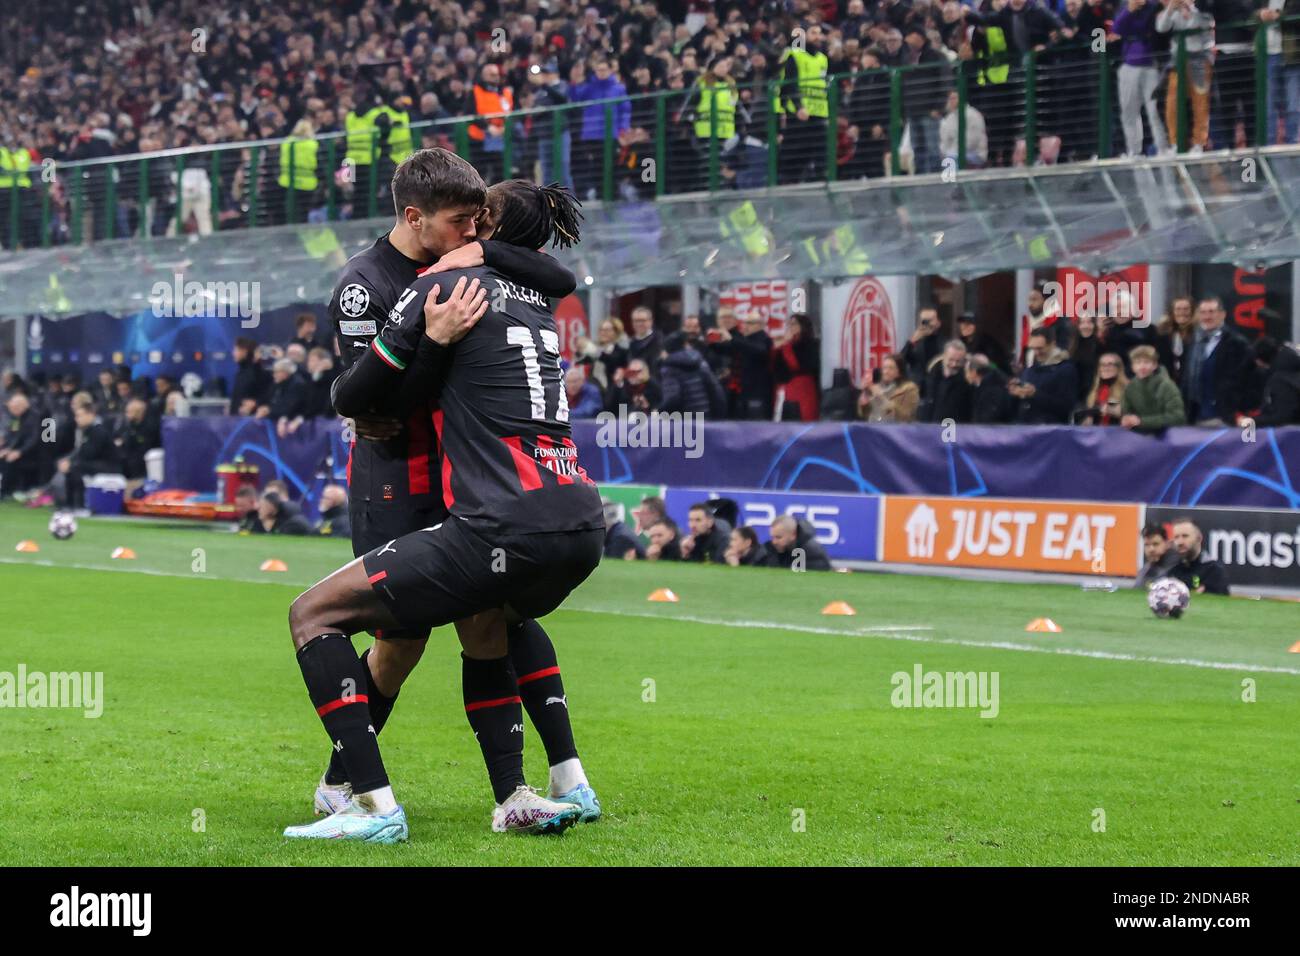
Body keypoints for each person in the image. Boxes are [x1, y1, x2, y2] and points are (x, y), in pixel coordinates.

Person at [294, 180, 602, 841]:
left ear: (488, 228)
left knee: (344, 617)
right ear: (416, 216)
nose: (465, 233)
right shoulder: (378, 281)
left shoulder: (449, 280)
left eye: (475, 223)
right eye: (458, 221)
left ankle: (372, 805)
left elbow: (359, 397)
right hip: (426, 487)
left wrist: (429, 340)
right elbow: (360, 397)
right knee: (419, 640)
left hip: (484, 502)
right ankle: (354, 784)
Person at [1180, 296, 1251, 425]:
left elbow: (1244, 381)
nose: (1207, 317)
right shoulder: (1192, 341)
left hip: (1225, 416)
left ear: (1222, 315)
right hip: (1195, 416)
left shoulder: (1237, 343)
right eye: (1203, 312)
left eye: (1212, 312)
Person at [1010, 331, 1078, 424]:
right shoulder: (1030, 370)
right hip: (1025, 427)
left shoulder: (1066, 370)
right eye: (1033, 349)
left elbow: (1066, 406)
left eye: (1040, 348)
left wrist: (1035, 394)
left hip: (1050, 430)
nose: (1036, 353)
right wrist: (1014, 393)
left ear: (1052, 344)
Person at [1121, 344, 1186, 432]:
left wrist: (1141, 421)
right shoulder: (1130, 388)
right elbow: (1127, 412)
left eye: (1146, 362)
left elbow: (1178, 417)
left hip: (1168, 436)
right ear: (1133, 367)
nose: (1142, 366)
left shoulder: (1166, 385)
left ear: (1154, 365)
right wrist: (1127, 419)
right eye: (1138, 362)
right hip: (1140, 437)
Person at [1168, 519, 1230, 595]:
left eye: (1185, 536)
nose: (1180, 542)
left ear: (1199, 538)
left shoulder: (1213, 570)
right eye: (1176, 537)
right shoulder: (1173, 571)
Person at [0, 390, 41, 498]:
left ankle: (4, 491)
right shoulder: (16, 418)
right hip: (18, 449)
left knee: (9, 459)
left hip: (32, 452)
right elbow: (14, 435)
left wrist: (19, 452)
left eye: (13, 409)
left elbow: (34, 439)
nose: (11, 411)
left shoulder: (35, 416)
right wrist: (6, 447)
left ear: (21, 407)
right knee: (4, 456)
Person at [859, 354, 920, 422]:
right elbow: (864, 414)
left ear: (899, 372)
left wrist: (881, 397)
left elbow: (905, 416)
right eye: (884, 368)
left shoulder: (909, 388)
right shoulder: (877, 387)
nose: (886, 372)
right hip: (875, 428)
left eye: (891, 368)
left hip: (897, 430)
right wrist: (865, 394)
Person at [762, 515, 832, 571]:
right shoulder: (773, 548)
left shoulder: (813, 554)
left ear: (793, 535)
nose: (774, 542)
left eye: (779, 537)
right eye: (772, 537)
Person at [1076, 353, 1128, 426]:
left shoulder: (1128, 388)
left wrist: (1114, 411)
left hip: (1119, 433)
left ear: (1118, 368)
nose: (1105, 368)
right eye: (1102, 365)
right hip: (1098, 434)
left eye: (1110, 364)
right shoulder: (1094, 391)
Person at [1137, 522, 1180, 586]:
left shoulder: (1177, 566)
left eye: (1155, 544)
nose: (1151, 549)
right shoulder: (1145, 569)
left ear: (1167, 544)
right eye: (1147, 545)